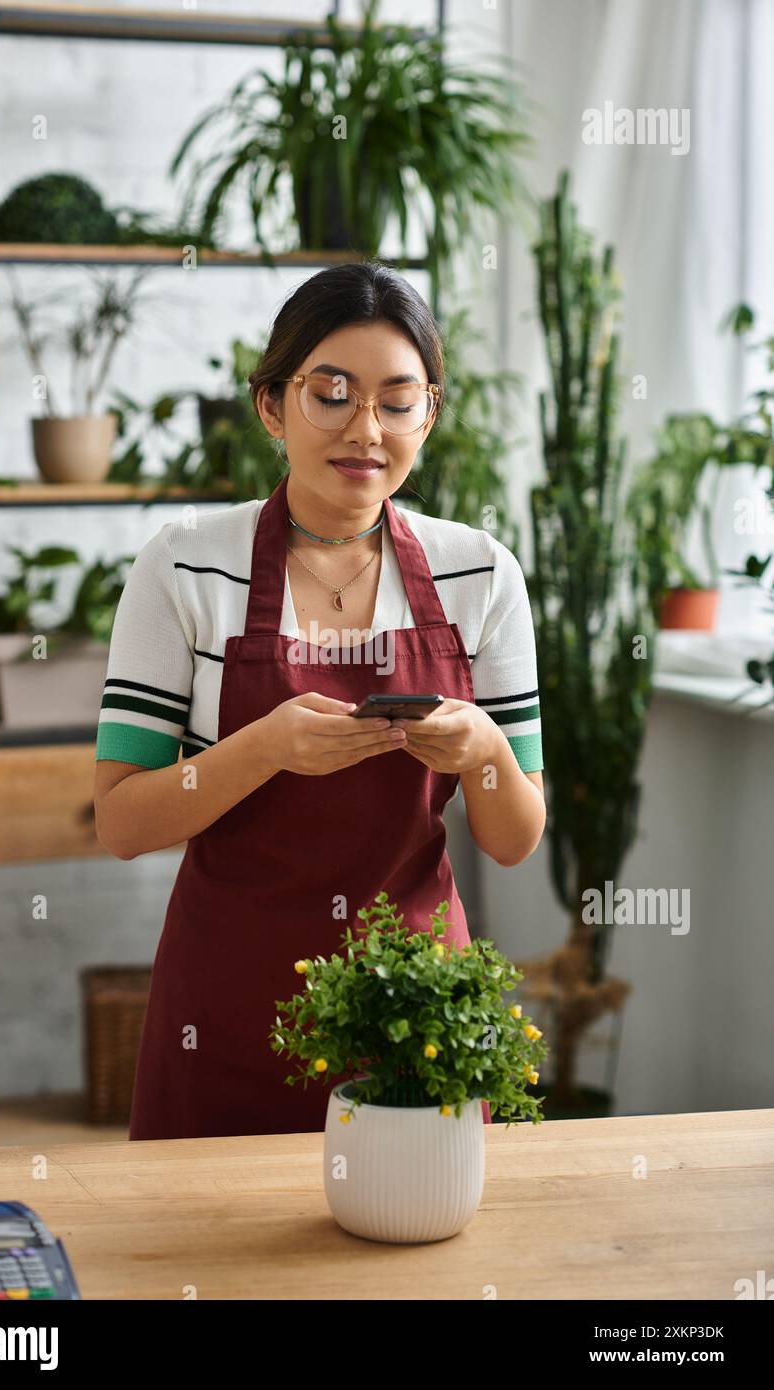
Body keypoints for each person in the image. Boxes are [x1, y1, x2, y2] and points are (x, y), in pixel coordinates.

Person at [93, 260, 546, 1140]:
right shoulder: (184, 565)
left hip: (418, 1016)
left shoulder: (480, 574)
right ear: (272, 406)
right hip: (225, 1010)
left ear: (430, 411)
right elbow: (122, 823)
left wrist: (487, 752)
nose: (365, 430)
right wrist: (263, 748)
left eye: (396, 399)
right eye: (330, 393)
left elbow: (514, 837)